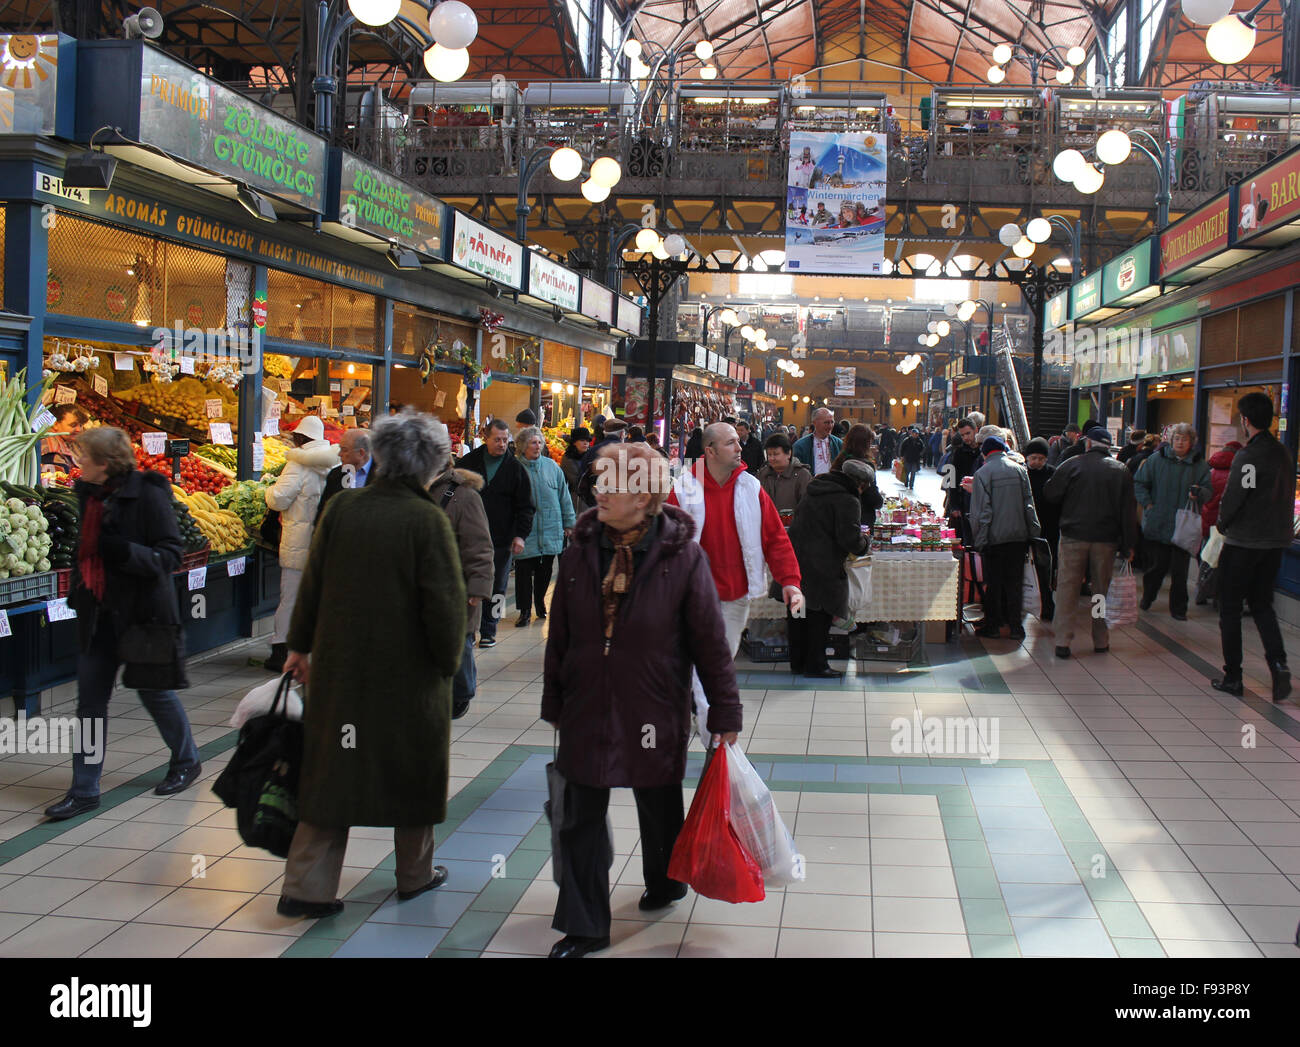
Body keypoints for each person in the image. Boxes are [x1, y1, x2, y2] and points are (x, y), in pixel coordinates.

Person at [541, 442, 743, 958]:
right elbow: (559, 635)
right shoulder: (578, 552)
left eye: (613, 482)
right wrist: (555, 700)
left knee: (658, 803)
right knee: (579, 817)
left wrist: (724, 710)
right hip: (587, 706)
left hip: (653, 707)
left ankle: (666, 878)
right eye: (600, 480)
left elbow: (709, 643)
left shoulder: (682, 557)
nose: (599, 491)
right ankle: (584, 925)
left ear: (645, 495)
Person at [279, 411, 467, 919]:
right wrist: (450, 663)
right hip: (409, 679)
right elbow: (445, 607)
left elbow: (312, 583)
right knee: (413, 771)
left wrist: (298, 647)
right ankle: (414, 875)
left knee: (331, 773)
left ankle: (306, 886)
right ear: (430, 464)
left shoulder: (343, 508)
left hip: (340, 670)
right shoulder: (426, 520)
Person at [43, 427, 201, 820]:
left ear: (106, 463)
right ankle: (84, 790)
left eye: (85, 457)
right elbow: (86, 552)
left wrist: (124, 552)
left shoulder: (149, 493)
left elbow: (170, 555)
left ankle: (186, 761)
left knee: (155, 692)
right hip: (99, 614)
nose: (78, 463)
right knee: (90, 704)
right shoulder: (90, 496)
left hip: (143, 614)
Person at [667, 422, 803, 738]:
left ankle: (708, 724)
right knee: (709, 669)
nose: (740, 447)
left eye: (738, 442)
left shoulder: (750, 487)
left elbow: (775, 538)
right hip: (695, 597)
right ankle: (715, 737)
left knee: (718, 664)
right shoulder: (685, 489)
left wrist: (790, 581)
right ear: (710, 450)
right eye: (730, 443)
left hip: (736, 597)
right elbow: (667, 543)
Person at [1211, 393, 1294, 700]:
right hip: (1275, 544)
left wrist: (1222, 522)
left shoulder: (1248, 457)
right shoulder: (1283, 454)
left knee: (1230, 609)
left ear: (1245, 421)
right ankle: (1278, 663)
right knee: (1262, 605)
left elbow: (1236, 497)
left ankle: (1233, 676)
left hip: (1244, 542)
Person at [1042, 427, 1138, 659]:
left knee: (1068, 589)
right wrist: (1128, 545)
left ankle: (1063, 640)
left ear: (1088, 444)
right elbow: (1128, 511)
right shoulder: (1120, 470)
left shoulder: (1072, 464)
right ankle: (1100, 639)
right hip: (1106, 540)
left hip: (1073, 536)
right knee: (1099, 592)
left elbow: (1050, 494)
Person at [263, 415, 340, 673]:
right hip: (322, 541)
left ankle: (280, 650)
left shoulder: (296, 464)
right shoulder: (334, 462)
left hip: (297, 541)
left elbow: (279, 500)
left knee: (291, 597)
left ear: (299, 437)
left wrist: (267, 490)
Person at [786, 459, 873, 677]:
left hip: (797, 560)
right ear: (860, 483)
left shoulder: (815, 488)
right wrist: (865, 543)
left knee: (798, 615)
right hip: (823, 567)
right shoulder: (848, 499)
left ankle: (797, 663)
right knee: (819, 618)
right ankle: (816, 665)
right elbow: (849, 539)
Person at [430, 444, 495, 719]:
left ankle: (460, 694)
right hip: (425, 588)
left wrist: (479, 587)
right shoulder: (411, 491)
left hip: (454, 587)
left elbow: (479, 546)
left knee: (460, 640)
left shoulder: (463, 495)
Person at [457, 418, 535, 648]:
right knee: (469, 583)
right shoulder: (468, 463)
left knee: (498, 586)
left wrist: (521, 535)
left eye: (505, 440)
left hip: (502, 538)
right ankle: (468, 630)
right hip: (469, 538)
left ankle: (490, 629)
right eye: (497, 440)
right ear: (486, 438)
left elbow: (526, 506)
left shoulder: (514, 469)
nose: (502, 444)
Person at [1133, 422, 1211, 621]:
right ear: (1170, 440)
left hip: (1183, 526)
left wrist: (1199, 493)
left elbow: (1208, 491)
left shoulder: (1199, 465)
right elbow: (1140, 483)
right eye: (1177, 438)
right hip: (1159, 522)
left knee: (1180, 572)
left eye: (1184, 439)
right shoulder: (1156, 460)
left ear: (1191, 443)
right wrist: (1149, 505)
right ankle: (1148, 597)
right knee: (1157, 568)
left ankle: (1179, 609)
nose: (1180, 442)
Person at [969, 435, 1041, 641]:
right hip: (1019, 537)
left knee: (994, 583)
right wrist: (1033, 531)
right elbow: (1029, 504)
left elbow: (982, 512)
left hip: (994, 538)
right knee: (1015, 582)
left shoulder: (982, 473)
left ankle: (993, 626)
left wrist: (980, 541)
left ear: (985, 454)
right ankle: (1016, 627)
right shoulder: (1020, 470)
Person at [514, 426, 576, 626]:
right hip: (526, 531)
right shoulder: (514, 468)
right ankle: (524, 610)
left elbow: (564, 497)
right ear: (523, 446)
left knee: (545, 571)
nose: (537, 446)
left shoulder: (552, 467)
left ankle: (540, 603)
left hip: (551, 527)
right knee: (523, 572)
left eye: (539, 442)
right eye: (533, 442)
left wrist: (569, 523)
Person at [1023, 437, 1059, 622]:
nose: (1036, 461)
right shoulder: (1022, 474)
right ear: (1027, 458)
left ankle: (1047, 606)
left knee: (1046, 569)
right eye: (1033, 457)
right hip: (1027, 529)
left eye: (1040, 458)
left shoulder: (1053, 474)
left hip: (1049, 529)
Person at [831, 423, 883, 530]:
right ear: (865, 443)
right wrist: (880, 500)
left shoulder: (840, 460)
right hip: (861, 519)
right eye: (870, 442)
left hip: (839, 517)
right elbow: (873, 498)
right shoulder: (865, 466)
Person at [315, 428, 373, 523]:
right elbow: (323, 511)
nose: (339, 454)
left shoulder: (382, 476)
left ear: (361, 453)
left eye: (344, 450)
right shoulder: (335, 475)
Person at [944, 417, 981, 543]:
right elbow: (952, 479)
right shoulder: (959, 452)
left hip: (981, 499)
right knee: (967, 537)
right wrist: (954, 506)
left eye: (968, 433)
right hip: (964, 500)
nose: (965, 438)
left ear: (976, 430)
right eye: (962, 435)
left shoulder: (983, 450)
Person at [757, 431, 813, 514]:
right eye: (769, 454)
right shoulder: (763, 474)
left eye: (776, 454)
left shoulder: (802, 475)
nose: (772, 458)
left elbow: (808, 507)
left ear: (789, 454)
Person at [1202, 440, 1242, 538]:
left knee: (1208, 551)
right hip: (1228, 526)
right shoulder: (1240, 475)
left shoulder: (1209, 472)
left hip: (1208, 521)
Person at [792, 408, 842, 476]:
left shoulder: (839, 443)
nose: (830, 426)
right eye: (826, 422)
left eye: (832, 422)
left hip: (833, 484)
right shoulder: (800, 445)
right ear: (814, 423)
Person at [41, 404, 88, 473]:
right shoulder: (51, 451)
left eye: (81, 425)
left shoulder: (71, 441)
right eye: (73, 425)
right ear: (55, 424)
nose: (79, 429)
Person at [560, 427, 591, 516]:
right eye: (582, 440)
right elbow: (577, 482)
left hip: (588, 503)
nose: (585, 443)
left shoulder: (590, 457)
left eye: (587, 440)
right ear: (574, 442)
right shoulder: (568, 459)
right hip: (574, 503)